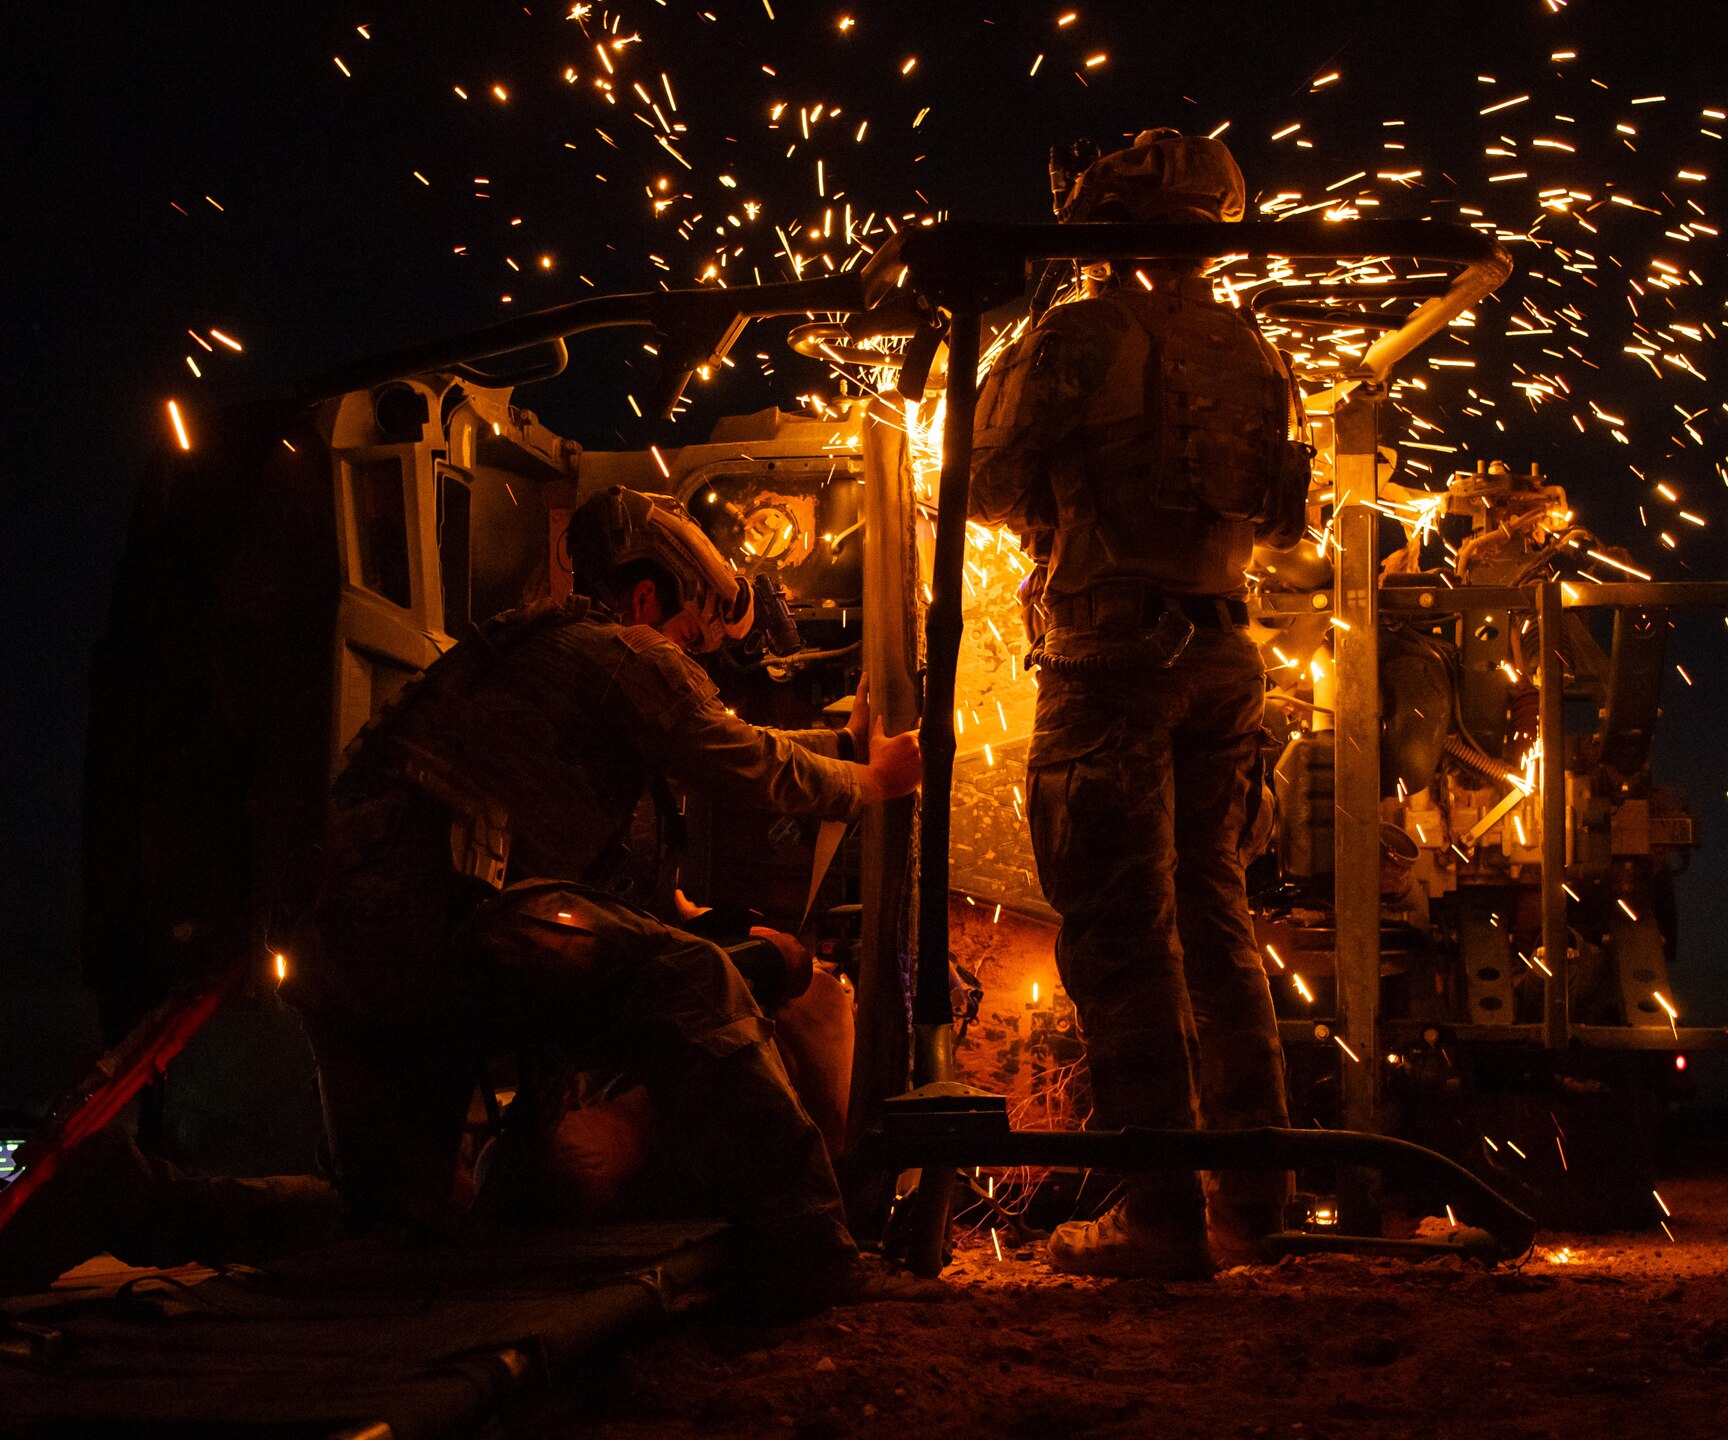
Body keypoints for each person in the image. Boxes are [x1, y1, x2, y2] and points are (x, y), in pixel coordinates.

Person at [279, 484, 920, 1304]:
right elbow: (736, 758)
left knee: (397, 1226)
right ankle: (812, 1256)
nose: (694, 663)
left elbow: (682, 765)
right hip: (453, 927)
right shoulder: (624, 649)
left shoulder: (513, 658)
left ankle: (136, 1199)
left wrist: (836, 742)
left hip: (349, 950)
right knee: (693, 979)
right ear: (648, 596)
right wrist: (870, 777)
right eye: (693, 634)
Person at [968, 128, 1308, 1278]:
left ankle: (1157, 1214)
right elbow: (1277, 521)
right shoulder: (1258, 351)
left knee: (1120, 936)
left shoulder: (1079, 331)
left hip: (1111, 658)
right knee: (1217, 921)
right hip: (1225, 655)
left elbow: (981, 481)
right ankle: (1256, 1204)